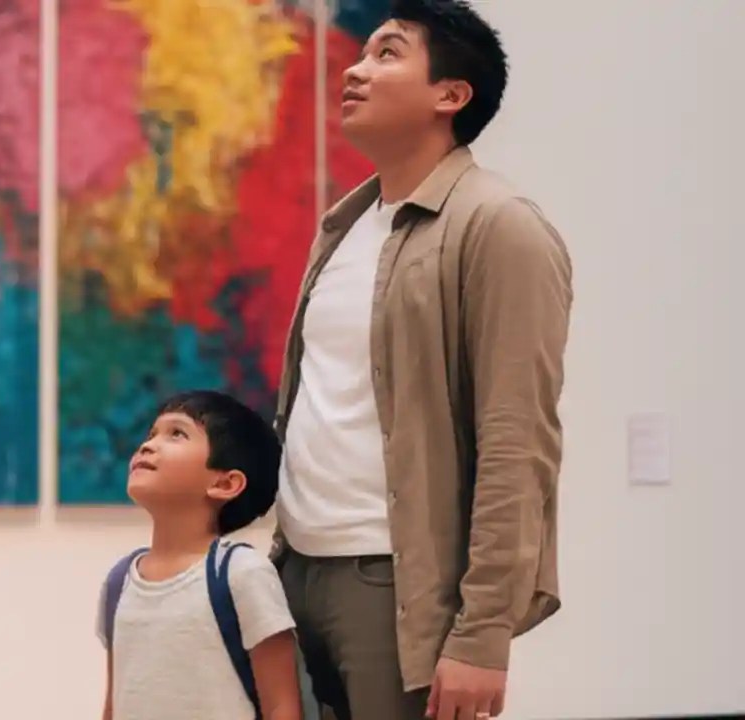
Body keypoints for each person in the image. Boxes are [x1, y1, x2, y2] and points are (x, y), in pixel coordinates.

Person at [270, 1, 573, 720]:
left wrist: (483, 633)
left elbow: (517, 440)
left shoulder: (500, 226)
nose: (355, 68)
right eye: (362, 52)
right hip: (294, 571)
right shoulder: (342, 227)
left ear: (450, 94)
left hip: (397, 590)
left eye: (387, 53)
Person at [96, 390, 302, 720]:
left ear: (226, 484)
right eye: (151, 434)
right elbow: (114, 706)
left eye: (176, 433)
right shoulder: (120, 582)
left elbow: (282, 706)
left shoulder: (242, 572)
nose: (147, 445)